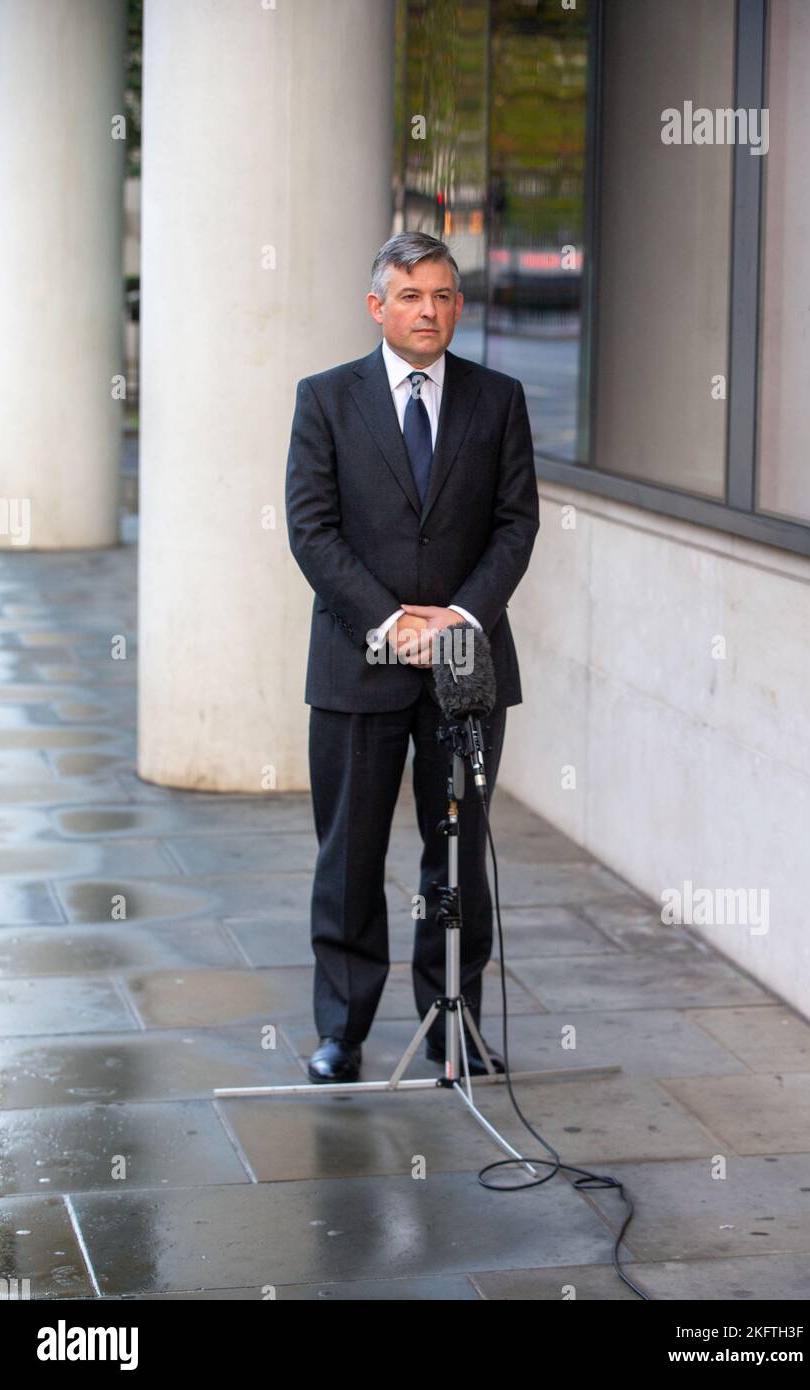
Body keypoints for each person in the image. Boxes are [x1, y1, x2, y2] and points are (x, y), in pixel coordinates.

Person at [285, 230, 539, 1082]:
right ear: (377, 307)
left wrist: (459, 618)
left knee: (457, 851)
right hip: (358, 660)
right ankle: (343, 1029)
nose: (428, 310)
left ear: (458, 306)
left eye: (442, 295)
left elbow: (516, 525)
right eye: (410, 295)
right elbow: (312, 530)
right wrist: (392, 622)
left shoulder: (498, 399)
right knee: (349, 852)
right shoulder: (324, 399)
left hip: (465, 666)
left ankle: (451, 1019)